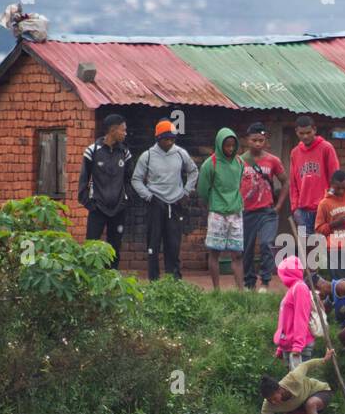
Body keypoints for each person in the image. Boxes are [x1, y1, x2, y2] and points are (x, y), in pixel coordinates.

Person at [131, 119, 198, 280]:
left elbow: (193, 171)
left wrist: (186, 192)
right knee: (153, 244)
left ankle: (173, 280)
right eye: (166, 139)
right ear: (158, 138)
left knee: (173, 244)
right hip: (156, 203)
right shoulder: (147, 156)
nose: (170, 142)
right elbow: (136, 179)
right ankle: (154, 280)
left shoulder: (181, 153)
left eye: (172, 139)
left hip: (175, 204)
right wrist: (149, 196)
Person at [251, 347, 336, 414]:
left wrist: (324, 360)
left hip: (319, 392)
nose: (274, 403)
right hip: (300, 405)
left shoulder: (293, 378)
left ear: (279, 390)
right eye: (270, 400)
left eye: (274, 398)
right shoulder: (268, 405)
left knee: (310, 404)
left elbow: (305, 365)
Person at [77, 113, 135, 268]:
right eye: (123, 130)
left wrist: (125, 200)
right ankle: (89, 281)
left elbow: (129, 179)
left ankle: (112, 280)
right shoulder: (92, 151)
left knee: (115, 247)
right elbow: (84, 180)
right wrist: (89, 203)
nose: (125, 133)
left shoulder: (125, 153)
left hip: (118, 209)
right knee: (91, 246)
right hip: (97, 208)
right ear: (113, 130)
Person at [196, 127, 246, 291]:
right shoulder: (210, 164)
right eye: (227, 146)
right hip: (217, 213)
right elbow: (203, 189)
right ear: (219, 145)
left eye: (233, 145)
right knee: (215, 252)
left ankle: (240, 290)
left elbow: (238, 184)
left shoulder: (239, 163)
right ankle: (216, 289)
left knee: (237, 253)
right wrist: (214, 203)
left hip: (236, 212)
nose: (230, 149)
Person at [239, 122, 286, 293]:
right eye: (254, 140)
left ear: (265, 140)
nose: (257, 143)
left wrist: (279, 205)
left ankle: (265, 282)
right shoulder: (240, 161)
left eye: (261, 140)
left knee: (267, 244)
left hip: (267, 211)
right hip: (247, 211)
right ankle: (249, 282)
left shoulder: (273, 160)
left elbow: (285, 181)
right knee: (247, 248)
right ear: (247, 140)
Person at [288, 114, 339, 246]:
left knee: (325, 246)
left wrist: (330, 199)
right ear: (296, 132)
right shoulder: (295, 153)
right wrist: (295, 207)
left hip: (323, 208)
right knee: (308, 248)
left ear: (315, 130)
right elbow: (293, 183)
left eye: (308, 132)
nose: (305, 136)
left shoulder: (326, 148)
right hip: (303, 210)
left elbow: (336, 178)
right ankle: (310, 268)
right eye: (301, 133)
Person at [315, 169, 345, 284]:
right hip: (334, 248)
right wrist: (334, 224)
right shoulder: (325, 203)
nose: (341, 191)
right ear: (332, 184)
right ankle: (340, 302)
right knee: (339, 284)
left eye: (344, 187)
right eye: (338, 188)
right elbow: (318, 228)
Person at [273, 255, 315, 370]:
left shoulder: (300, 288)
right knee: (292, 384)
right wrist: (281, 347)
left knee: (297, 385)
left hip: (298, 347)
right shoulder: (292, 289)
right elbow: (286, 322)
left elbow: (301, 318)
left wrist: (298, 345)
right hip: (289, 345)